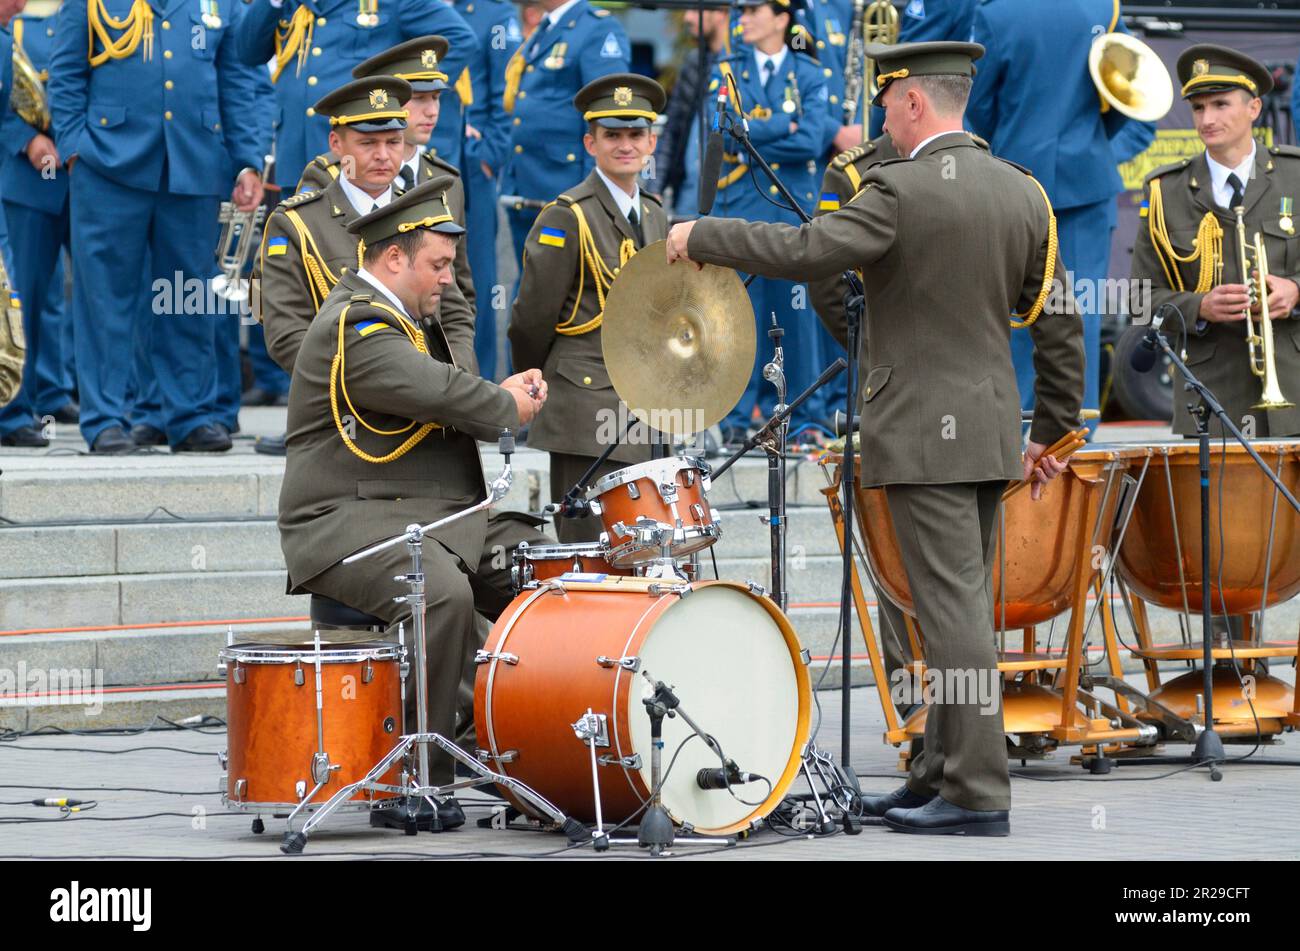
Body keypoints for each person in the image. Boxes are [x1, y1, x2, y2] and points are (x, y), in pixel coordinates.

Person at [667, 41, 1084, 835]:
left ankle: (975, 790)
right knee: (947, 605)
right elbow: (1059, 324)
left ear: (916, 104)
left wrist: (702, 235)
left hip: (925, 432)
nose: (880, 120)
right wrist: (1053, 435)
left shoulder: (897, 191)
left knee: (950, 611)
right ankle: (935, 770)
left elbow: (805, 252)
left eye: (888, 104)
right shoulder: (1022, 194)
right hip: (991, 429)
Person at [278, 178, 550, 795]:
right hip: (343, 525)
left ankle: (526, 739)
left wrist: (499, 400)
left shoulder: (405, 320)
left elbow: (443, 390)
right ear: (394, 259)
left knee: (542, 572)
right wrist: (504, 403)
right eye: (439, 265)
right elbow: (435, 390)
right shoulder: (359, 325)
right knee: (442, 594)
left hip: (424, 515)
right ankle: (422, 771)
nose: (449, 279)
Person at [48, 0, 270, 453]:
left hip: (192, 165)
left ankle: (190, 416)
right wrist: (75, 149)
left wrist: (247, 161)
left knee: (186, 297)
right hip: (109, 167)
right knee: (105, 299)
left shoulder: (218, 4)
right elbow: (66, 75)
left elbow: (235, 82)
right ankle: (105, 418)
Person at [966, 0, 1155, 435]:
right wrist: (1094, 148)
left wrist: (1009, 146)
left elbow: (978, 104)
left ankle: (1010, 436)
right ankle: (1075, 437)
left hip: (1015, 182)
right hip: (1086, 188)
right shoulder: (1102, 9)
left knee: (1013, 313)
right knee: (1081, 313)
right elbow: (1129, 93)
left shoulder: (997, 15)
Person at [509, 74, 665, 542]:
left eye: (635, 134)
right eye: (612, 135)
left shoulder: (655, 212)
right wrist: (540, 383)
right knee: (591, 555)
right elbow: (531, 319)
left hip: (644, 407)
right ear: (589, 142)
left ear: (652, 141)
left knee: (644, 555)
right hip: (584, 408)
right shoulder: (567, 214)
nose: (625, 145)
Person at [1130, 44, 1300, 438]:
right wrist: (1199, 306)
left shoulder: (1295, 176)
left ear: (1254, 108)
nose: (1207, 118)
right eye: (1199, 108)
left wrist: (1295, 290)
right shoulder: (1164, 191)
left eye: (1221, 104)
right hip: (1210, 398)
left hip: (1294, 389)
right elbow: (1139, 295)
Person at [707, 0, 830, 446]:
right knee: (744, 314)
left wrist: (754, 132)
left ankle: (805, 415)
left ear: (782, 18)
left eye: (755, 10)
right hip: (742, 205)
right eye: (741, 12)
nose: (745, 18)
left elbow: (814, 139)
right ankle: (740, 415)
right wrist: (786, 123)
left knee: (797, 313)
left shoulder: (809, 72)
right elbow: (723, 130)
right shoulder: (727, 71)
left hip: (791, 209)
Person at [254, 77, 412, 391]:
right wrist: (359, 385)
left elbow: (454, 314)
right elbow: (284, 329)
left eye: (393, 142)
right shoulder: (297, 222)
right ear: (336, 145)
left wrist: (447, 385)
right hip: (336, 396)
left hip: (424, 392)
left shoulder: (425, 214)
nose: (382, 155)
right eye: (368, 143)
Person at [232, 0, 475, 196]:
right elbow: (247, 52)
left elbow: (460, 39)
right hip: (297, 154)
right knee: (297, 250)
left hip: (357, 157)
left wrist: (396, 96)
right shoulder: (288, 4)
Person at [498, 0, 630, 269]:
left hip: (565, 187)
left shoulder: (598, 28)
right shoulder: (546, 26)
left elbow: (608, 118)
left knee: (564, 285)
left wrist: (595, 197)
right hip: (527, 184)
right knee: (531, 283)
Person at [0, 0, 78, 447]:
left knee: (63, 297)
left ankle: (54, 389)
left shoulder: (95, 12)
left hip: (83, 171)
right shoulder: (15, 17)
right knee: (25, 292)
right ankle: (16, 400)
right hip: (29, 176)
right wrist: (26, 138)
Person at [458, 0, 524, 380]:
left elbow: (507, 92)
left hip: (471, 163)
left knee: (476, 277)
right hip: (420, 152)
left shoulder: (494, 13)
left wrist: (489, 156)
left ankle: (477, 381)